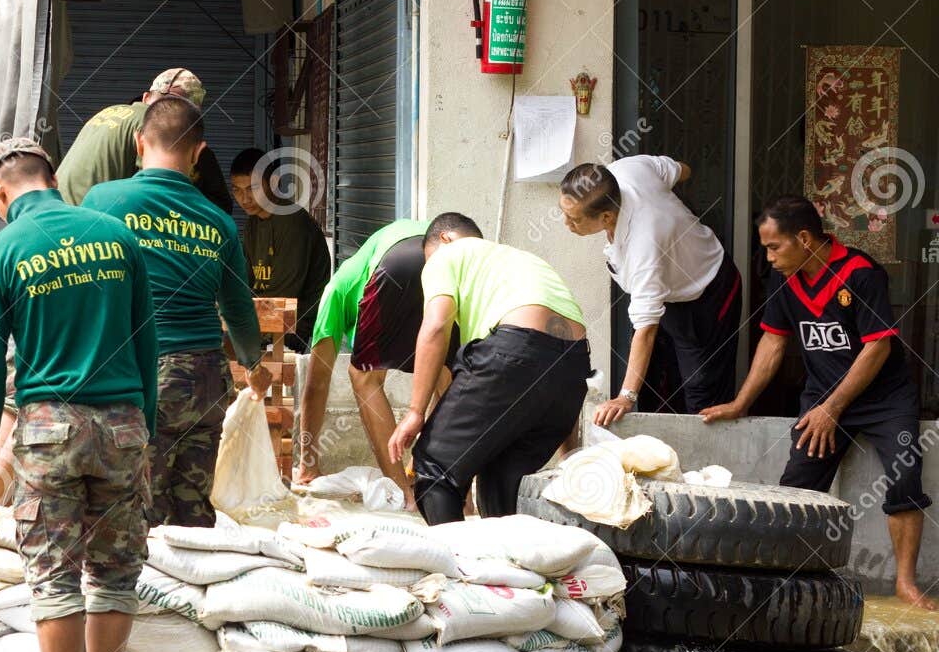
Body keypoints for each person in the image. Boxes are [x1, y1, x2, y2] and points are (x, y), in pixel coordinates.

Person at [0, 137, 157, 652]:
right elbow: (147, 344)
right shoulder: (118, 238)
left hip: (48, 430)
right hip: (124, 424)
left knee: (54, 576)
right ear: (50, 178)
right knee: (115, 573)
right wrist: (145, 429)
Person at [702, 196, 934, 611]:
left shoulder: (861, 274)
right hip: (823, 397)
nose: (768, 257)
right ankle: (790, 580)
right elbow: (773, 341)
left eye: (774, 247)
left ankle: (904, 583)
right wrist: (740, 402)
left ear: (805, 239)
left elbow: (877, 348)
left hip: (885, 399)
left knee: (905, 478)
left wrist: (833, 408)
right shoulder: (785, 279)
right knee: (797, 489)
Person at [84, 98, 271, 527]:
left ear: (138, 143)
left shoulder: (102, 201)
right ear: (199, 153)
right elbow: (237, 308)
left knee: (139, 506)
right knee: (193, 505)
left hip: (143, 374)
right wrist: (253, 364)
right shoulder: (218, 221)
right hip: (206, 378)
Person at [387, 213, 590, 524]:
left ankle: (455, 555)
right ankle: (504, 554)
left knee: (433, 467)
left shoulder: (447, 255)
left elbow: (436, 326)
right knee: (501, 476)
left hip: (513, 350)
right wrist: (570, 452)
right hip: (574, 369)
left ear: (445, 238)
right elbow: (551, 364)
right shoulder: (524, 261)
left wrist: (415, 411)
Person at [560, 157, 741, 425]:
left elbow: (646, 329)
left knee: (702, 396)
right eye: (563, 212)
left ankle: (710, 452)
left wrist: (625, 397)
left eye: (574, 219)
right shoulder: (627, 169)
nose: (566, 223)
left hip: (708, 292)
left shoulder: (644, 246)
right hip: (668, 293)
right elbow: (683, 169)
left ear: (606, 217)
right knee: (661, 384)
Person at [293, 217, 444, 494]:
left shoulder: (336, 291)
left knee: (364, 377)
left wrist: (307, 464)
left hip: (396, 262)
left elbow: (316, 384)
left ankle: (402, 493)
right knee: (447, 378)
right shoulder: (358, 274)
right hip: (442, 257)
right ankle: (447, 489)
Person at [55, 68, 234, 213]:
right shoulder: (153, 125)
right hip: (87, 223)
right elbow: (158, 194)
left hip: (59, 214)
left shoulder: (111, 111)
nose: (170, 116)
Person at [229, 147, 331, 352]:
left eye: (252, 188)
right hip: (262, 323)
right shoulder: (253, 223)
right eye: (237, 190)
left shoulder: (293, 224)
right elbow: (246, 283)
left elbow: (283, 298)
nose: (245, 198)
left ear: (274, 182)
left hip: (293, 333)